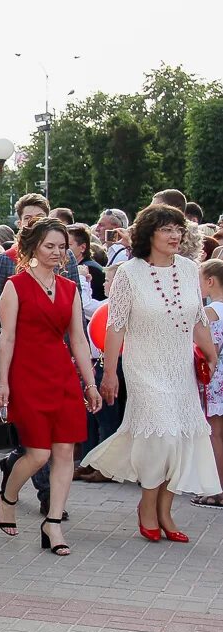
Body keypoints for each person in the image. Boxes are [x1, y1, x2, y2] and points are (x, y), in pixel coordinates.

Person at [83, 204, 222, 542]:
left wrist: (211, 354)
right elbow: (115, 326)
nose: (175, 235)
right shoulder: (129, 273)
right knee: (161, 436)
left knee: (182, 437)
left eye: (178, 229)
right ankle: (147, 507)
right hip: (143, 366)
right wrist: (109, 373)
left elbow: (197, 320)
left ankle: (165, 511)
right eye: (166, 229)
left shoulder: (189, 269)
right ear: (149, 233)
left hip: (180, 367)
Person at [0, 218, 102, 555]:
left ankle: (53, 523)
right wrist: (3, 383)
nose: (57, 252)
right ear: (33, 248)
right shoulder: (15, 286)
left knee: (65, 451)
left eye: (62, 247)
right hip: (26, 375)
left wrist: (90, 384)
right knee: (38, 453)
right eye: (49, 246)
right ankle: (7, 497)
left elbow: (79, 339)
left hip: (62, 375)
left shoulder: (69, 288)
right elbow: (7, 338)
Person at [193, 259, 223, 509]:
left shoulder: (211, 312)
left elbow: (209, 349)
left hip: (216, 378)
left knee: (215, 434)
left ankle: (218, 490)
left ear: (210, 281)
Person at [67, 224, 106, 300]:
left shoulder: (91, 270)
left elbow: (87, 303)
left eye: (68, 245)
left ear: (83, 247)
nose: (62, 249)